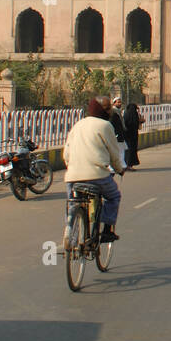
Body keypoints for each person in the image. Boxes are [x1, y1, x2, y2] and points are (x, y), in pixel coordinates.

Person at [63, 97, 131, 245]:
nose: (109, 112)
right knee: (114, 197)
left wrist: (72, 167)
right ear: (101, 110)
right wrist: (120, 169)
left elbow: (66, 154)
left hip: (72, 177)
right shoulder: (105, 125)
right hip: (97, 176)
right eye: (107, 109)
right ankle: (107, 231)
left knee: (72, 202)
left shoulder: (78, 125)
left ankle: (70, 226)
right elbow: (114, 153)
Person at [122, 97, 143, 168]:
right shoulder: (134, 114)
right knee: (131, 150)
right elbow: (136, 124)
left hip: (127, 135)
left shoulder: (126, 114)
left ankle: (126, 165)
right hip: (133, 136)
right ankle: (129, 165)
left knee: (127, 150)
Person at [110, 95, 128, 164]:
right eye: (118, 102)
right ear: (114, 103)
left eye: (120, 102)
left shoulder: (118, 111)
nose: (119, 104)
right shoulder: (114, 112)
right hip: (116, 134)